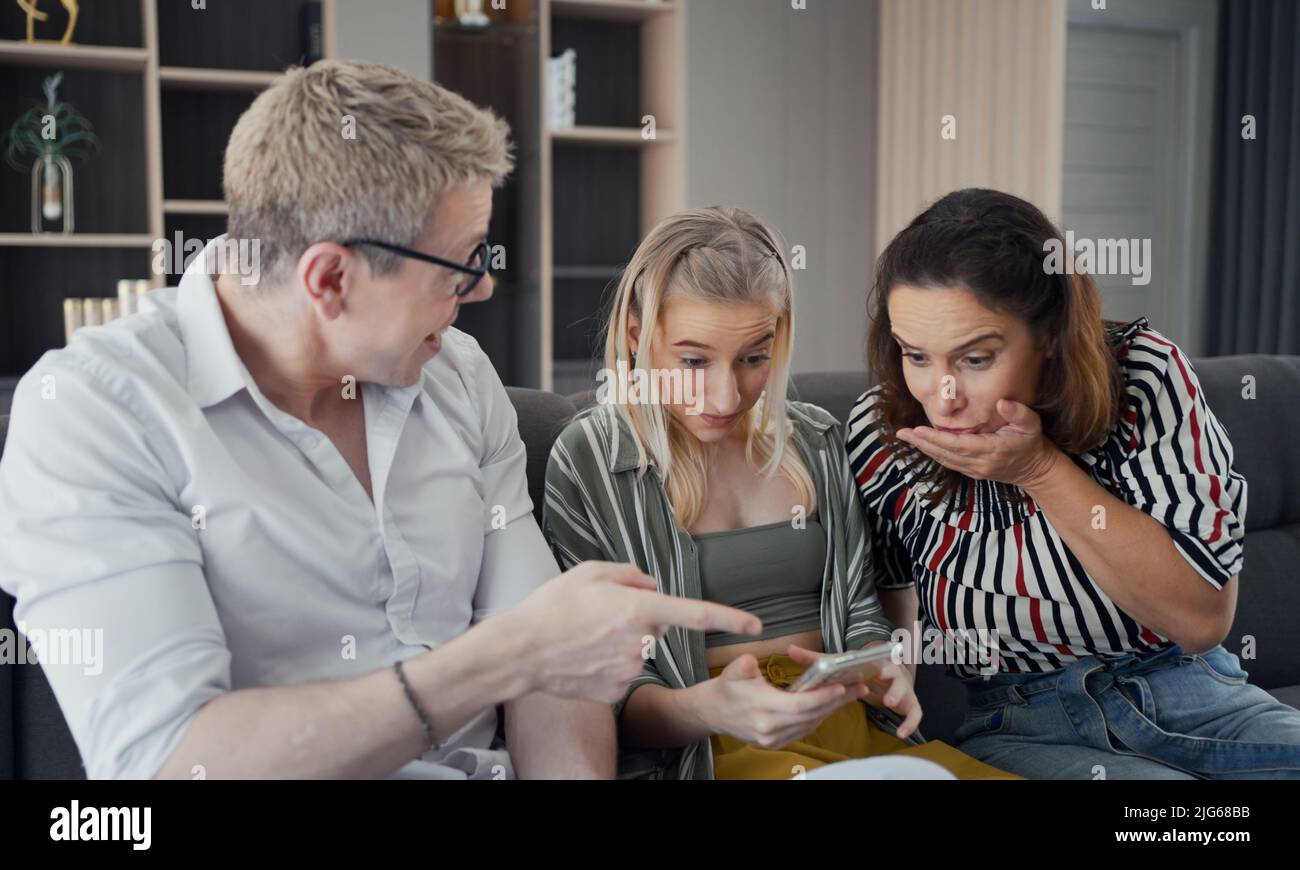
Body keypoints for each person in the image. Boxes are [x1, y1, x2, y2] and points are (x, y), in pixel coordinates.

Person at [0, 61, 757, 780]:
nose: (484, 287)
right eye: (460, 265)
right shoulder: (98, 414)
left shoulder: (456, 376)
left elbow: (551, 680)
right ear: (329, 278)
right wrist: (507, 654)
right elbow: (169, 761)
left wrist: (536, 658)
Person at [543, 206, 1015, 779]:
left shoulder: (815, 440)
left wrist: (887, 670)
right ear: (640, 337)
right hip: (714, 750)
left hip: (853, 732)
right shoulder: (592, 458)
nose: (724, 397)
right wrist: (710, 708)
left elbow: (863, 612)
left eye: (754, 358)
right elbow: (602, 693)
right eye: (693, 360)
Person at [847, 187, 1300, 779]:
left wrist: (1039, 470)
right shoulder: (883, 427)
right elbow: (888, 597)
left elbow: (1201, 621)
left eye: (975, 358)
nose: (942, 395)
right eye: (916, 355)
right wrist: (894, 688)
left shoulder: (1144, 377)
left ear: (1051, 335)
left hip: (1194, 695)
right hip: (1017, 722)